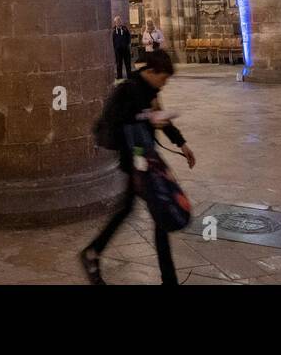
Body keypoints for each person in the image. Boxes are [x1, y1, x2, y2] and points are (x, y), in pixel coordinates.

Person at [80, 49, 195, 285]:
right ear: (151, 72)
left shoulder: (150, 90)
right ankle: (92, 253)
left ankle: (93, 253)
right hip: (132, 160)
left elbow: (159, 116)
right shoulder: (127, 89)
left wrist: (181, 143)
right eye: (163, 78)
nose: (163, 85)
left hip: (145, 158)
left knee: (146, 211)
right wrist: (144, 118)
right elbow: (113, 120)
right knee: (152, 211)